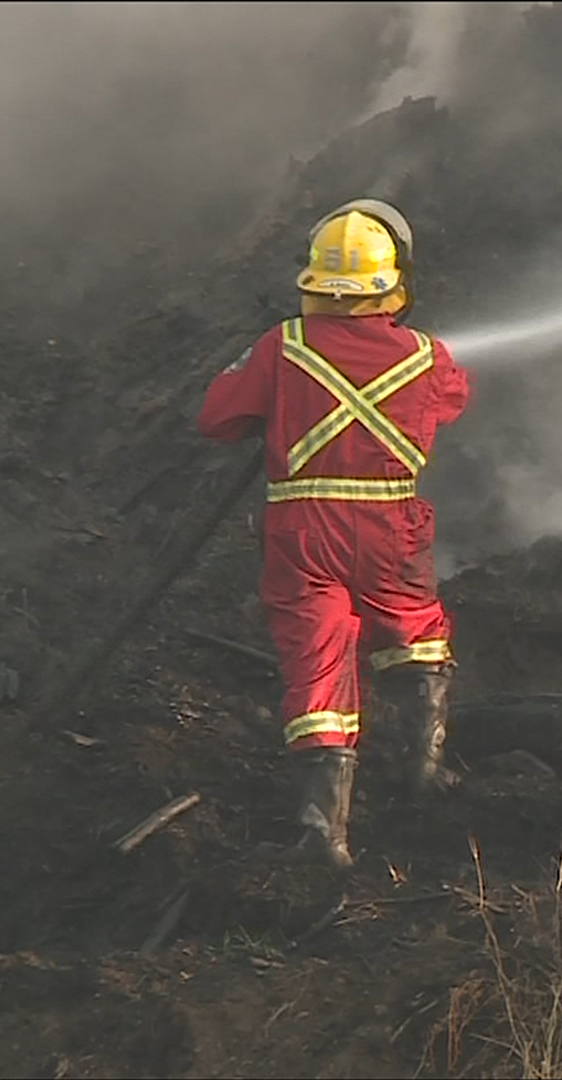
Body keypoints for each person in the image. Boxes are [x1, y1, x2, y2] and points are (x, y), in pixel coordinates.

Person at [196, 198, 471, 868]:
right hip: (390, 526)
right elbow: (452, 402)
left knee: (316, 662)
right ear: (395, 283)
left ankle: (325, 833)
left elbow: (216, 419)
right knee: (414, 629)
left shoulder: (280, 347)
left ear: (311, 283)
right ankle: (424, 771)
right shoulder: (426, 356)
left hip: (303, 529)